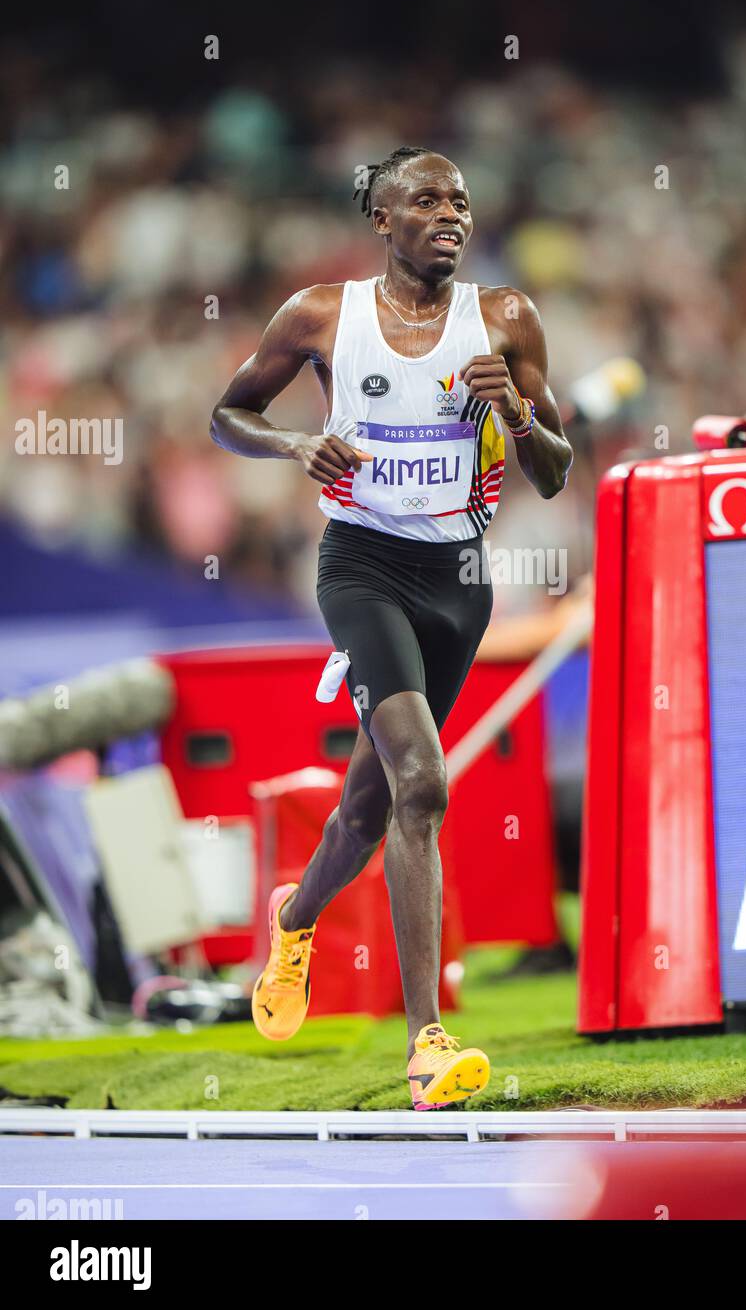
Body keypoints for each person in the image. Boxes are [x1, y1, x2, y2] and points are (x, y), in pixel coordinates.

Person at [210, 146, 573, 1108]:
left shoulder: (504, 319)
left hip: (459, 580)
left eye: (460, 199)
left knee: (369, 811)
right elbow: (227, 413)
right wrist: (294, 440)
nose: (449, 212)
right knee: (422, 782)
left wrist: (523, 420)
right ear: (382, 217)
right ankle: (427, 1048)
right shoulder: (321, 316)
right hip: (362, 565)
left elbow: (554, 468)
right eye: (426, 199)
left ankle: (295, 919)